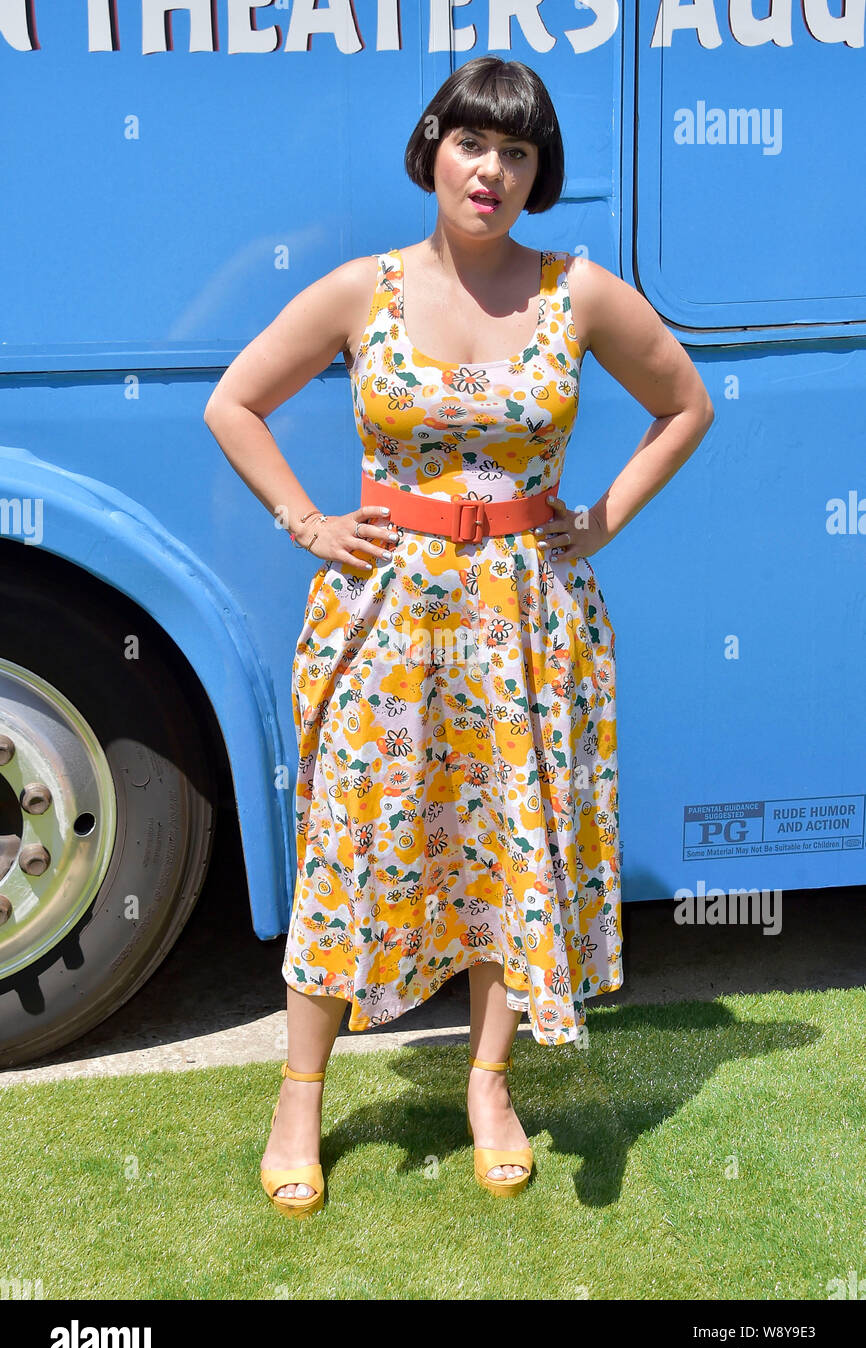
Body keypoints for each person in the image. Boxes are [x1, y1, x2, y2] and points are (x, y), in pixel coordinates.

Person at [203, 55, 714, 1218]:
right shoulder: (358, 290)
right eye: (474, 143)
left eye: (519, 152)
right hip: (386, 617)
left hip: (531, 617)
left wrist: (600, 519)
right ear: (432, 147)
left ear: (540, 174)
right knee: (348, 847)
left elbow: (682, 403)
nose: (492, 171)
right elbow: (233, 399)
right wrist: (307, 522)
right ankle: (297, 1099)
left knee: (506, 850)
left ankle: (490, 1086)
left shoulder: (577, 292)